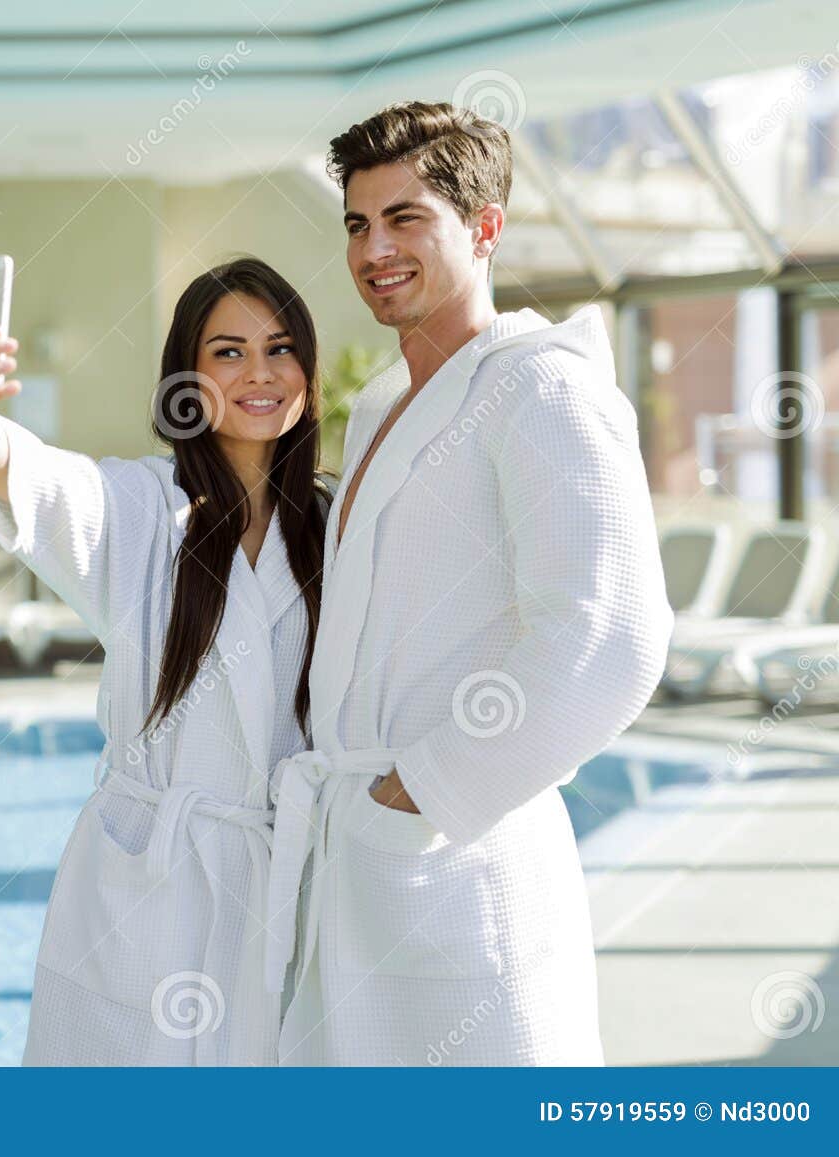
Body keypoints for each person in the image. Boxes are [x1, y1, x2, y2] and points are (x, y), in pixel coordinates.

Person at [265, 101, 673, 1065]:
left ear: (485, 227)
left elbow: (608, 636)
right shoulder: (380, 407)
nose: (374, 249)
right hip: (358, 857)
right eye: (359, 224)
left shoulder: (541, 388)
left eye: (408, 219)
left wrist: (423, 793)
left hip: (457, 859)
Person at [0, 257, 330, 1064]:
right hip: (148, 878)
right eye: (228, 352)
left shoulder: (336, 522)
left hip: (287, 880)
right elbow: (37, 478)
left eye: (280, 348)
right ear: (186, 373)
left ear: (309, 373)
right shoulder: (143, 509)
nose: (260, 372)